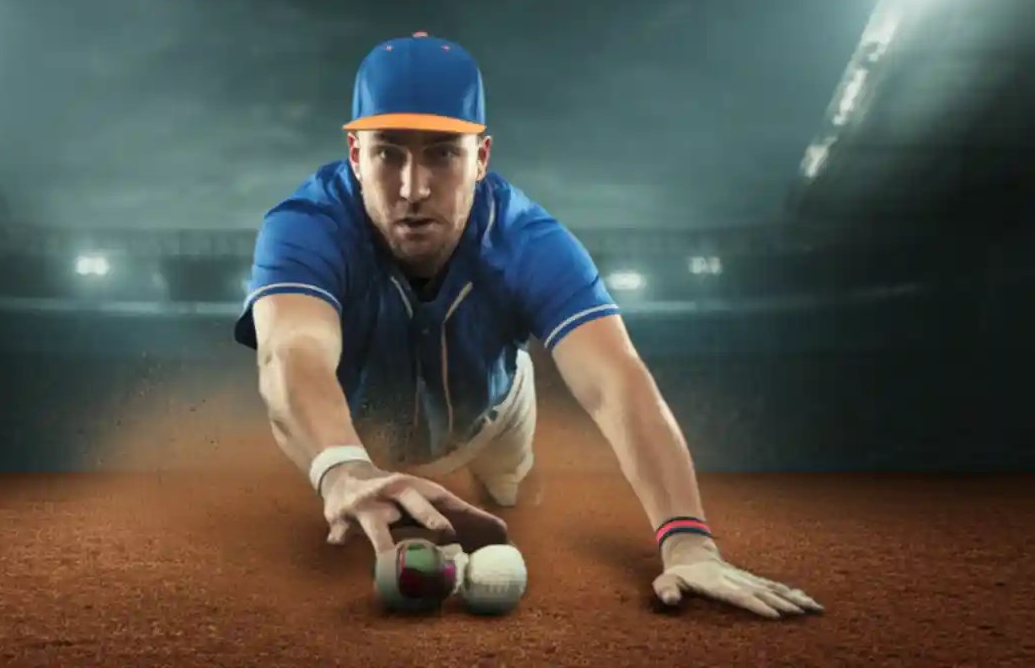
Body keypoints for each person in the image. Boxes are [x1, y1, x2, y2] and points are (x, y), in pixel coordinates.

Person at [233, 32, 823, 619]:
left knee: (513, 493)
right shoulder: (305, 224)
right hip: (360, 431)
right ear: (356, 157)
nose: (414, 187)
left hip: (496, 417)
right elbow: (291, 350)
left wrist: (689, 542)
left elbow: (615, 380)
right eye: (389, 152)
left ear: (481, 158)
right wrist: (342, 466)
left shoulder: (529, 240)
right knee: (341, 484)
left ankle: (514, 481)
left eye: (442, 152)